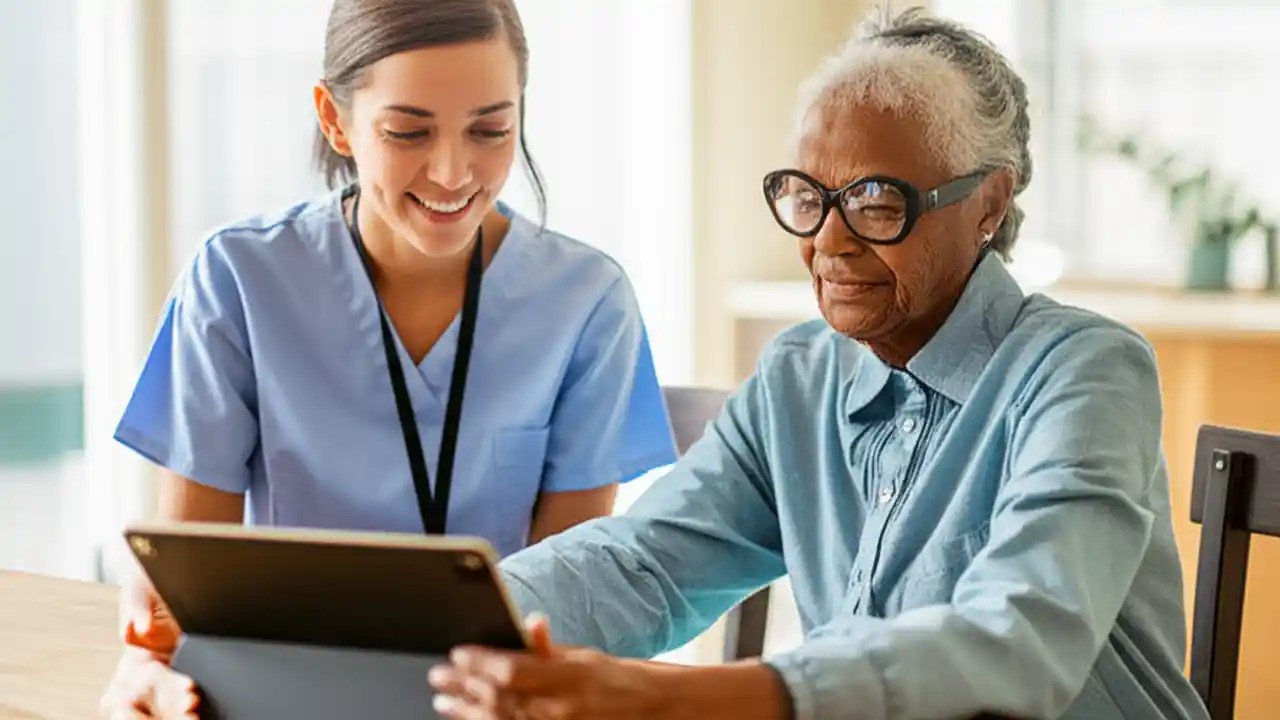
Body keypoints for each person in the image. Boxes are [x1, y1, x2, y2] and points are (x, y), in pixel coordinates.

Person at [104, 6, 1213, 720]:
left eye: (876, 202)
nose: (828, 241)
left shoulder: (1083, 372)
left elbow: (1016, 643)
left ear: (989, 205)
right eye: (807, 196)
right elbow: (640, 564)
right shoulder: (801, 377)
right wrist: (406, 627)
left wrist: (665, 698)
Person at [99, 0, 674, 717]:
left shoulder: (586, 301)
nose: (452, 172)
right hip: (279, 690)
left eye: (491, 130)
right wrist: (150, 666)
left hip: (490, 699)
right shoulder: (237, 281)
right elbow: (191, 591)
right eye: (408, 131)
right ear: (334, 119)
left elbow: (570, 600)